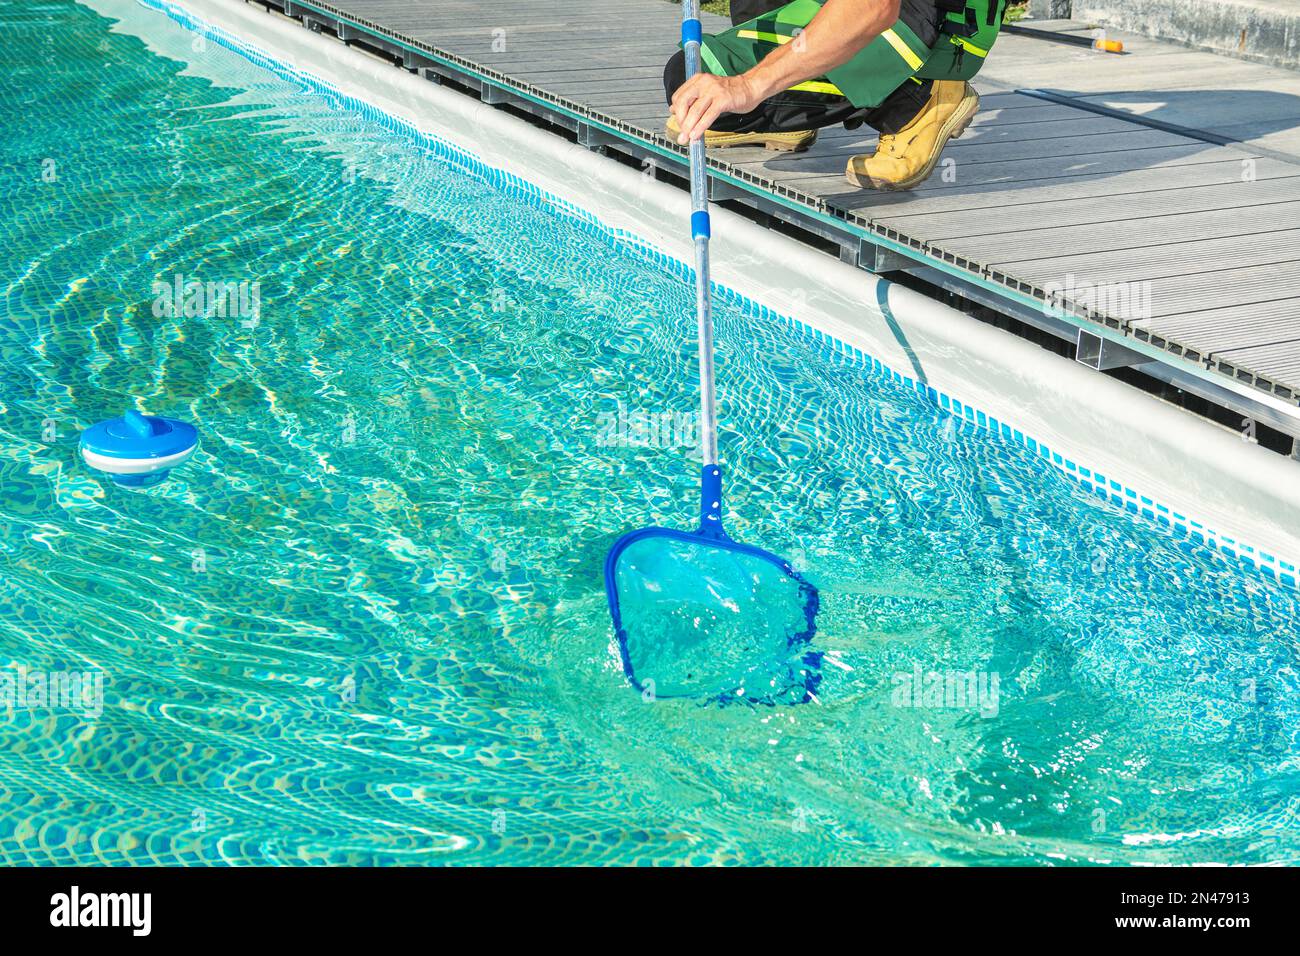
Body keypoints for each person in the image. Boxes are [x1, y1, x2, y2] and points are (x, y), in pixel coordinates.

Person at [665, 0, 1008, 191]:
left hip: (929, 27)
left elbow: (874, 7)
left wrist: (748, 86)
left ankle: (918, 99)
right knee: (697, 78)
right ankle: (784, 115)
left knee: (697, 78)